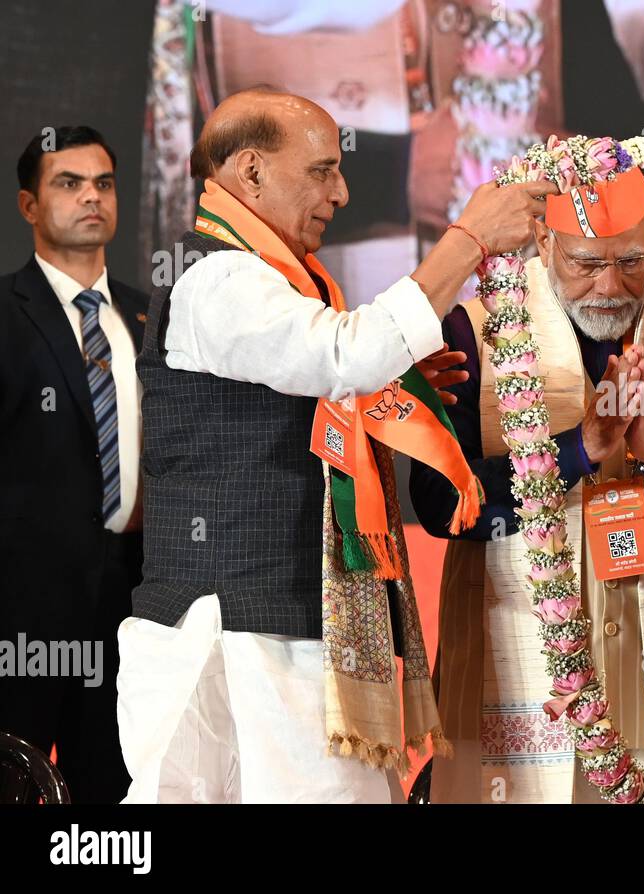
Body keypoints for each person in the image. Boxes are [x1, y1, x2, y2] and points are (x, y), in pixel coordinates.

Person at [115, 88, 557, 803]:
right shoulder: (216, 278)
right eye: (322, 170)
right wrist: (466, 241)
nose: (342, 191)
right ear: (251, 173)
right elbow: (340, 357)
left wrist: (400, 383)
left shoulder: (279, 282)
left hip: (274, 631)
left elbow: (333, 375)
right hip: (248, 628)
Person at [410, 165, 644, 803]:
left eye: (631, 260)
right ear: (543, 240)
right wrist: (578, 451)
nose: (610, 286)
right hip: (523, 659)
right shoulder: (473, 335)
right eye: (586, 263)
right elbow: (441, 504)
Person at [0, 126, 148, 802]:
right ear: (30, 205)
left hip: (133, 609)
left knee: (117, 796)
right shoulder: (4, 312)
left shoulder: (152, 316)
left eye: (104, 183)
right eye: (69, 183)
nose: (91, 196)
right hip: (19, 615)